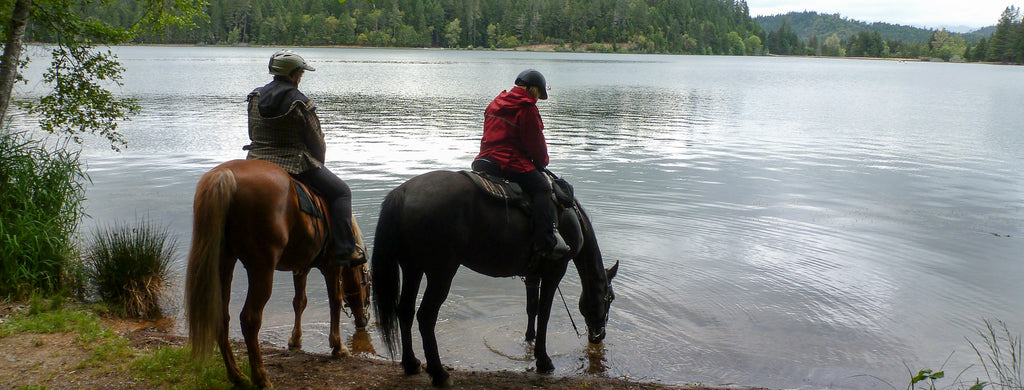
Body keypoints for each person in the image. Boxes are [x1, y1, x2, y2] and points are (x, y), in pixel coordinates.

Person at [243, 49, 364, 266]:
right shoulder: (300, 102)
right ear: (293, 75)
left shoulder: (255, 96)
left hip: (256, 161)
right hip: (295, 163)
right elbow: (316, 141)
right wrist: (319, 162)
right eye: (300, 73)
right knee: (342, 192)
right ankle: (345, 250)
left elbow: (252, 133)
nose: (301, 77)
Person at [473, 69, 570, 259]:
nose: (537, 98)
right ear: (533, 89)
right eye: (538, 93)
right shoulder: (527, 109)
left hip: (483, 161)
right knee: (543, 189)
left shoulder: (496, 102)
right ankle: (544, 242)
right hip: (509, 163)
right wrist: (542, 162)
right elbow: (536, 146)